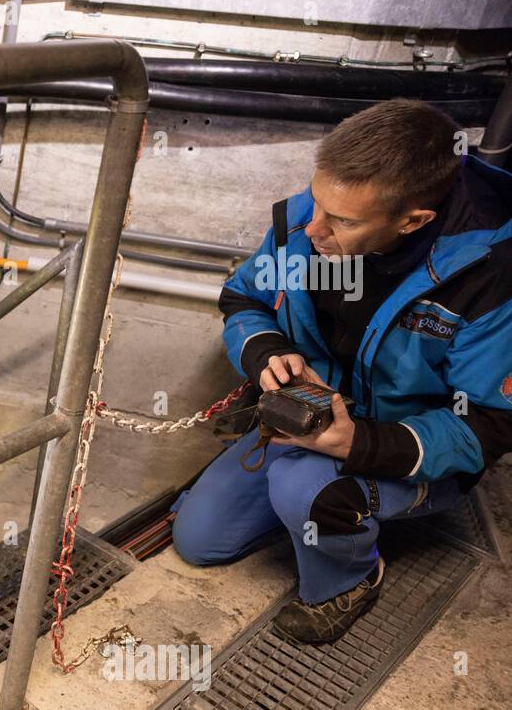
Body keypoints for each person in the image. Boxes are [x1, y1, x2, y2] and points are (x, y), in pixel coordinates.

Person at [172, 98, 512, 644]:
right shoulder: (311, 218)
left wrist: (359, 446)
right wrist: (267, 353)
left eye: (343, 221)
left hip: (410, 448)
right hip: (309, 421)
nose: (312, 229)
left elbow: (490, 424)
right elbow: (245, 299)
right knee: (200, 540)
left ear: (413, 220)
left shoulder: (492, 274)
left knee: (306, 487)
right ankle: (314, 510)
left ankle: (349, 577)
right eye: (317, 201)